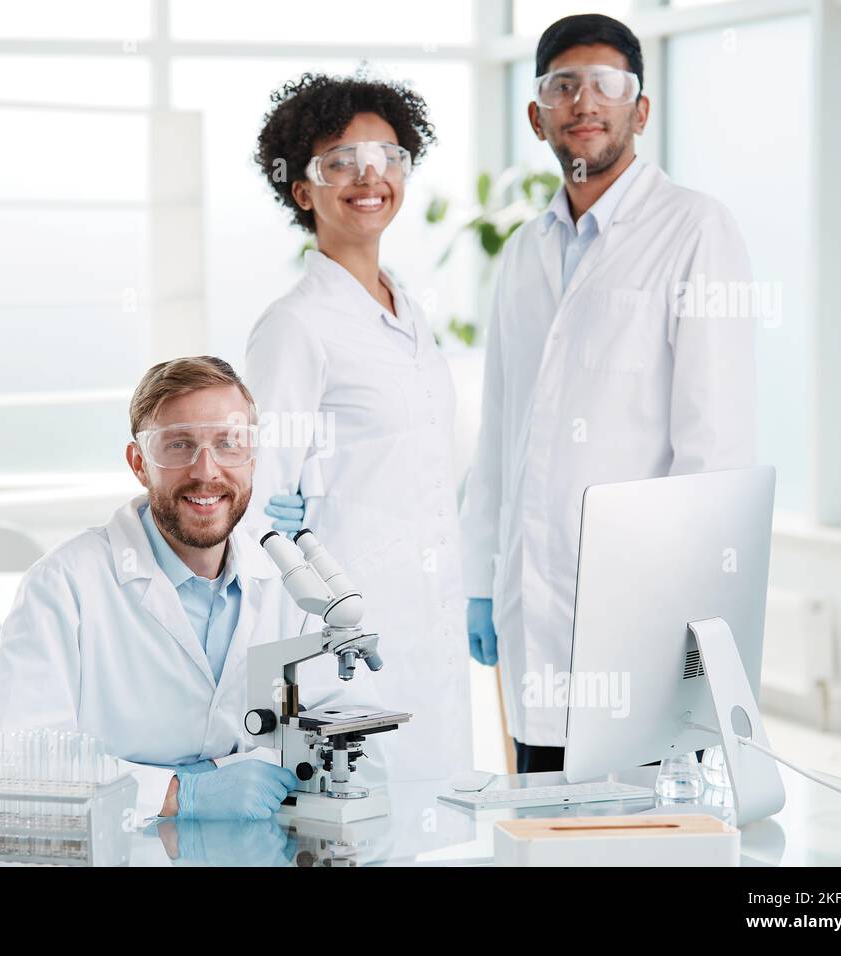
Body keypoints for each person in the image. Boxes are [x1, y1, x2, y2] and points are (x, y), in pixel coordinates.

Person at [462, 14, 757, 772]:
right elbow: (501, 434)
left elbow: (714, 446)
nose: (583, 102)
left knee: (638, 844)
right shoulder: (525, 252)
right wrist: (482, 579)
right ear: (537, 116)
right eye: (562, 86)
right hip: (534, 611)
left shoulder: (695, 229)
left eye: (607, 85)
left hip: (642, 625)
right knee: (541, 834)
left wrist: (685, 616)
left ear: (641, 109)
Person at [0, 356, 373, 822]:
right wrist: (178, 794)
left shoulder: (290, 584)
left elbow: (343, 725)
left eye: (228, 444)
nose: (207, 471)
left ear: (253, 460)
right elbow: (5, 757)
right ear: (140, 463)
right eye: (179, 445)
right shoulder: (65, 584)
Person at [246, 71, 471, 782]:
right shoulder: (295, 326)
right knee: (361, 819)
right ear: (303, 189)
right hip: (348, 631)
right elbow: (261, 511)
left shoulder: (409, 310)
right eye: (341, 161)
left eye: (388, 157)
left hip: (430, 615)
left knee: (438, 815)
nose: (369, 177)